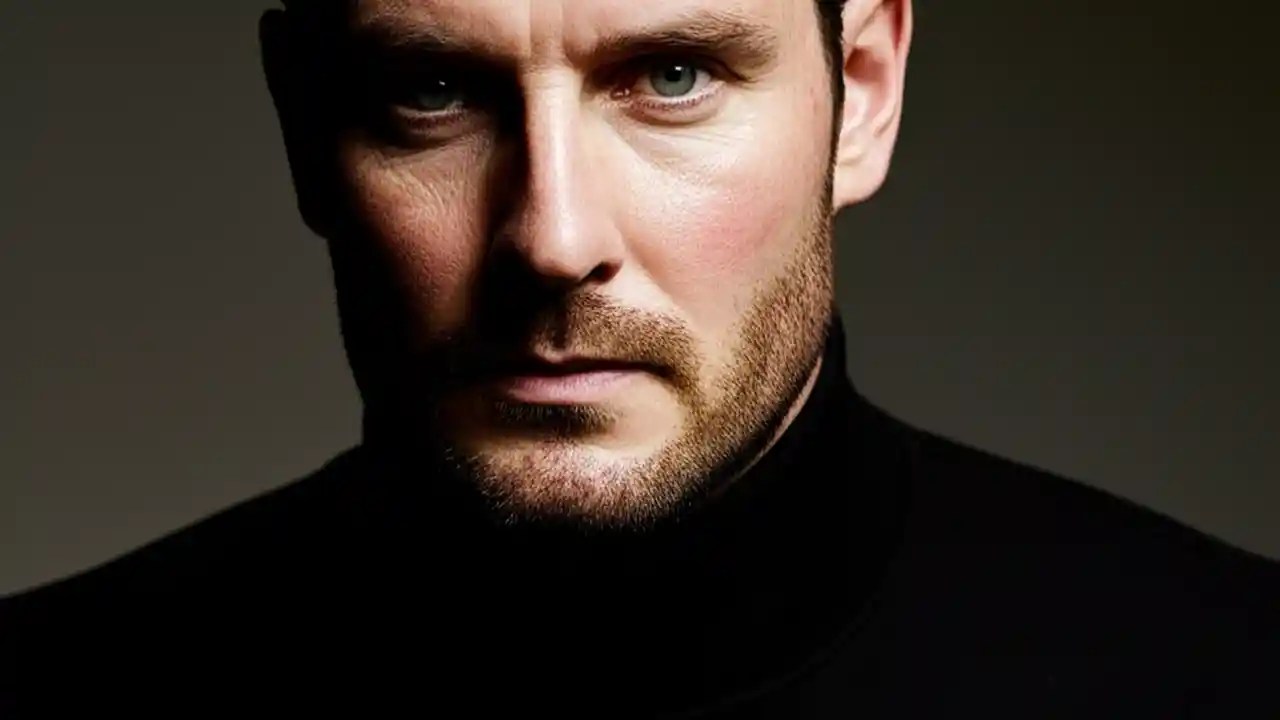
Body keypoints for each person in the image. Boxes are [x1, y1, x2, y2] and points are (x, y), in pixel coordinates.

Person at [2, 0, 1276, 716]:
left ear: (863, 91)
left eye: (670, 76)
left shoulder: (1223, 675)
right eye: (432, 91)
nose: (552, 237)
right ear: (301, 130)